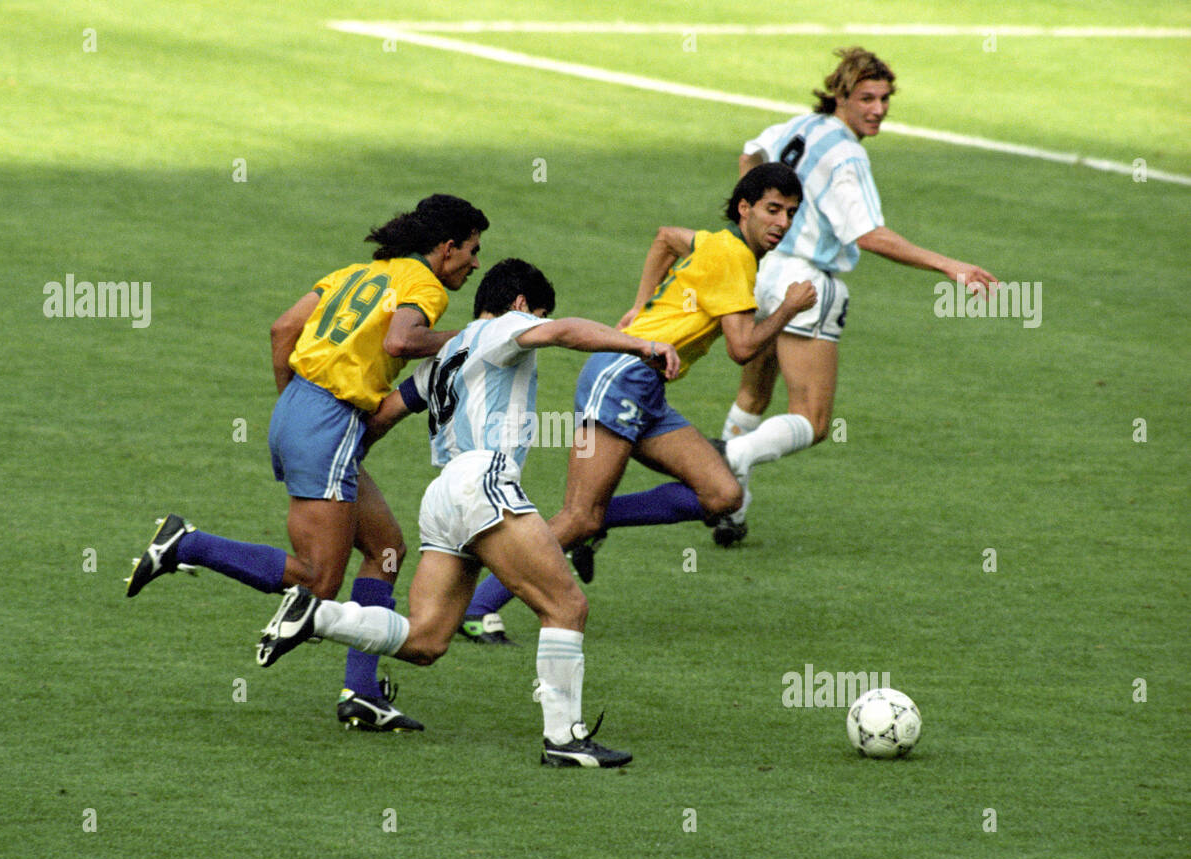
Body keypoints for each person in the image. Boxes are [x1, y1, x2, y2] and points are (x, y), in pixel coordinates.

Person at [257, 258, 680, 766]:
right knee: (566, 607)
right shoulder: (504, 327)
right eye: (536, 315)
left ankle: (318, 615)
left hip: (443, 498)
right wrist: (639, 343)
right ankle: (565, 740)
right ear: (523, 306)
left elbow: (382, 417)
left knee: (426, 640)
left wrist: (319, 456)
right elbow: (566, 333)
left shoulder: (441, 357)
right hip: (483, 481)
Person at [125, 194, 487, 732]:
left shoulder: (352, 273)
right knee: (318, 581)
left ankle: (361, 693)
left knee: (385, 548)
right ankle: (187, 543)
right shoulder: (424, 285)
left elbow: (281, 330)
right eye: (473, 251)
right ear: (447, 246)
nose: (475, 263)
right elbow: (402, 338)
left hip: (296, 408)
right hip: (329, 420)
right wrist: (474, 338)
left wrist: (294, 408)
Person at [459, 164, 817, 642]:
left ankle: (598, 521)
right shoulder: (734, 257)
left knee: (722, 495)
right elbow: (743, 348)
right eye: (773, 210)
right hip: (621, 376)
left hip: (645, 387)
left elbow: (666, 237)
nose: (783, 223)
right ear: (744, 209)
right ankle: (477, 608)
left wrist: (640, 305)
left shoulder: (716, 242)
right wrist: (789, 308)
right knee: (575, 515)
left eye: (791, 214)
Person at [711, 46, 998, 545]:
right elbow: (868, 235)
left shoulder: (801, 126)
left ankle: (730, 509)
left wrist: (752, 227)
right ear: (841, 95)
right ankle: (727, 461)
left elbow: (750, 155)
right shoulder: (846, 156)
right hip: (805, 285)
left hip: (758, 269)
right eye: (867, 97)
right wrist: (948, 264)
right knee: (813, 419)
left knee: (754, 394)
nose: (879, 109)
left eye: (886, 98)